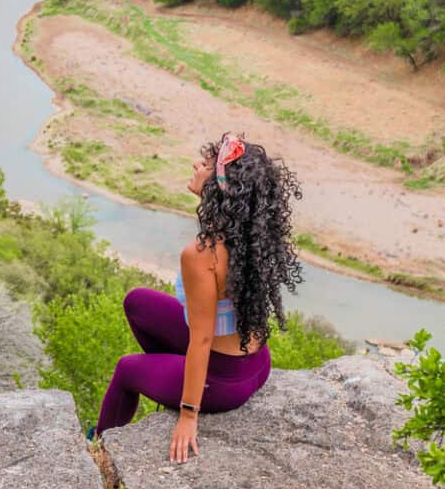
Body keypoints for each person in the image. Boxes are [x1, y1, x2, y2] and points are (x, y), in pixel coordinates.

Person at [93, 131, 303, 462]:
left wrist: (188, 414)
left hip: (223, 382)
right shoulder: (252, 238)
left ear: (221, 187)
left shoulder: (202, 254)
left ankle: (97, 446)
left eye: (205, 164)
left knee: (126, 369)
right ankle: (171, 378)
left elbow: (202, 339)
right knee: (137, 302)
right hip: (258, 363)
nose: (196, 164)